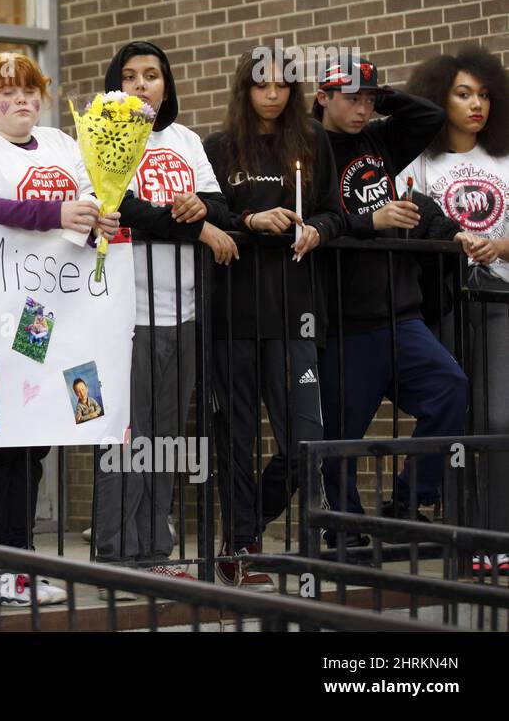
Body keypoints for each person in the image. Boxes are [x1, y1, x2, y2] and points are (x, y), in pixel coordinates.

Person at [0, 52, 118, 606]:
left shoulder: (63, 145)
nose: (20, 101)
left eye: (29, 91)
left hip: (47, 321)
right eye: (6, 93)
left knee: (31, 445)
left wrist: (98, 218)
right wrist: (52, 214)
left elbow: (89, 198)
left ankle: (13, 564)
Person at [314, 56, 489, 544]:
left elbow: (429, 117)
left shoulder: (380, 139)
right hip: (345, 318)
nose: (362, 109)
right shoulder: (309, 146)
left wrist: (375, 89)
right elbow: (315, 220)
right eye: (351, 98)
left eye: (369, 101)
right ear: (323, 97)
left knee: (450, 388)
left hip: (401, 312)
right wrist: (372, 222)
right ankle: (343, 525)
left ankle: (409, 504)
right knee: (341, 433)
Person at [92, 40, 233, 596]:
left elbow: (220, 206)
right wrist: (194, 227)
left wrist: (203, 211)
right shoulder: (107, 135)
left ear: (166, 84)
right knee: (126, 432)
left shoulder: (185, 140)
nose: (141, 84)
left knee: (167, 433)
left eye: (152, 75)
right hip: (129, 312)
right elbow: (122, 207)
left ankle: (152, 546)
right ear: (115, 84)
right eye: (129, 76)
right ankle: (115, 551)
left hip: (187, 310)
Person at [203, 50, 345, 590]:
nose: (272, 94)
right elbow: (206, 210)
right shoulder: (217, 147)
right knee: (236, 437)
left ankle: (258, 523)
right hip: (232, 312)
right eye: (261, 84)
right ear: (245, 89)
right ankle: (237, 546)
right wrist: (247, 219)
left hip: (294, 313)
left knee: (303, 439)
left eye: (283, 85)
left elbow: (334, 210)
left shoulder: (312, 140)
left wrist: (319, 231)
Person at [401, 45, 509, 573]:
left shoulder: (504, 156)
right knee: (460, 411)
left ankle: (496, 539)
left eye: (484, 95)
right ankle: (464, 537)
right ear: (439, 97)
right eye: (463, 94)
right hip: (442, 299)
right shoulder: (421, 159)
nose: (476, 105)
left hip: (498, 297)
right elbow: (410, 224)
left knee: (498, 416)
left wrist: (498, 247)